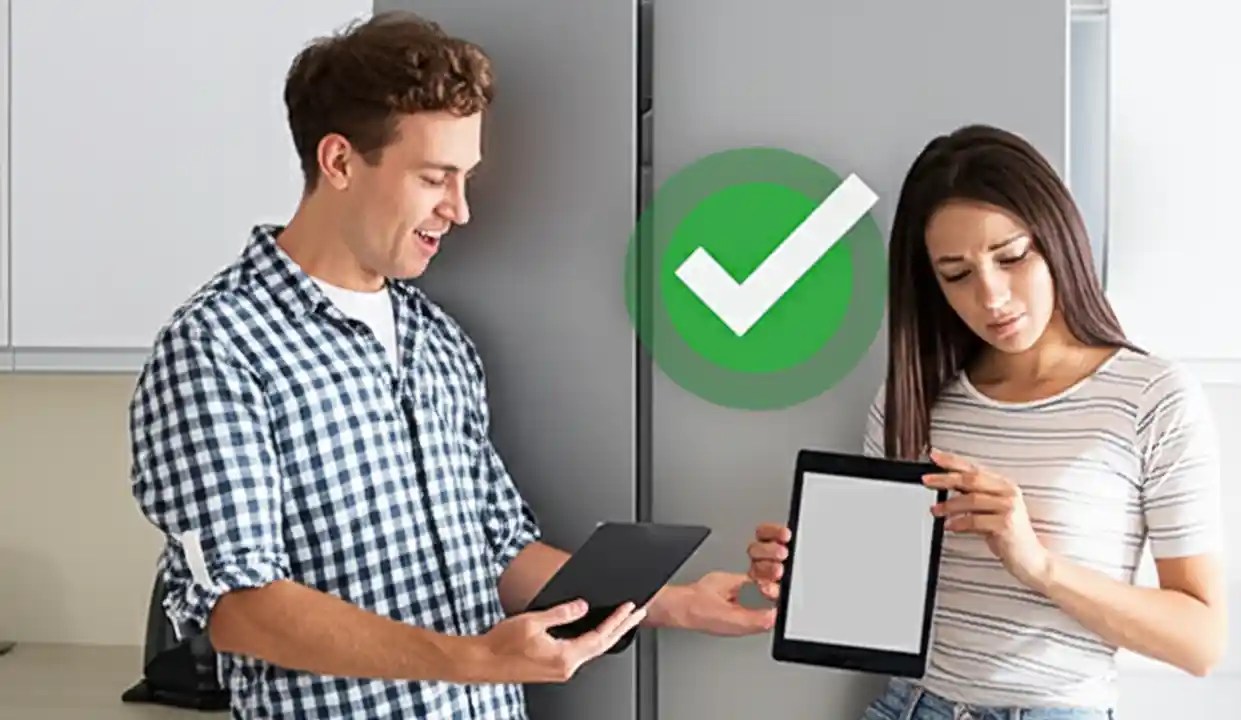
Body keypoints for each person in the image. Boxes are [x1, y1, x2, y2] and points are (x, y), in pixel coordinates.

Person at [128, 11, 774, 720]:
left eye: (465, 177)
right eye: (436, 177)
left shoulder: (436, 338)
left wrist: (674, 604)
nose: (460, 210)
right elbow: (239, 606)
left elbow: (497, 549)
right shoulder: (218, 345)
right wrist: (471, 659)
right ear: (339, 161)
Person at [747, 124, 1227, 719]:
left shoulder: (1153, 398)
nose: (992, 296)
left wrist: (1038, 564)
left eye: (1011, 257)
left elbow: (1200, 643)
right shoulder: (911, 399)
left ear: (1056, 238)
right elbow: (872, 616)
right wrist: (809, 581)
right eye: (957, 274)